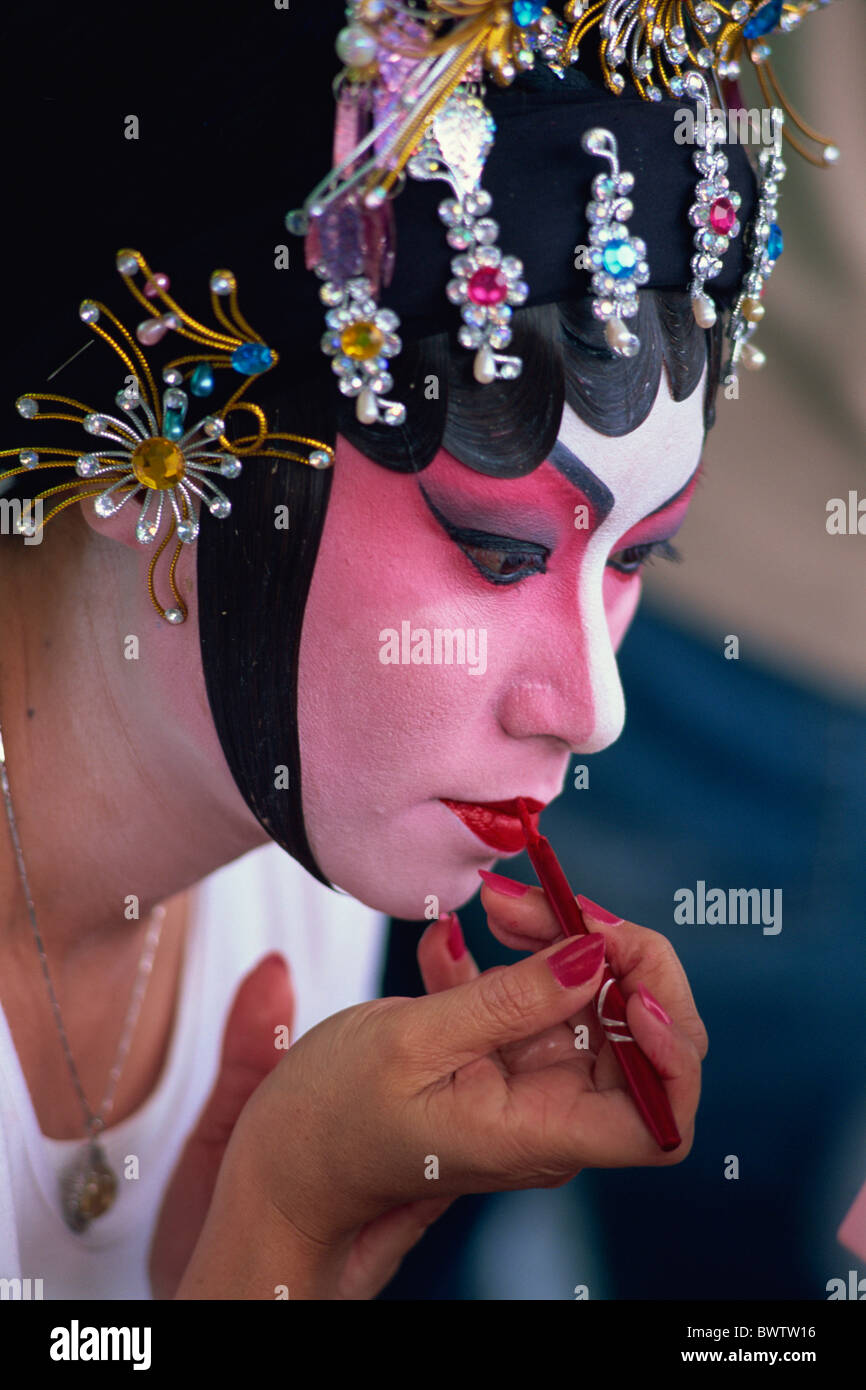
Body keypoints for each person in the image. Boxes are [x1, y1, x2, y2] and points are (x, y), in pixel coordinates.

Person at [0, 0, 835, 1299]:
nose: (596, 704)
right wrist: (273, 1232)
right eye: (494, 552)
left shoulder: (313, 850)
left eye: (632, 561)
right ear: (149, 433)